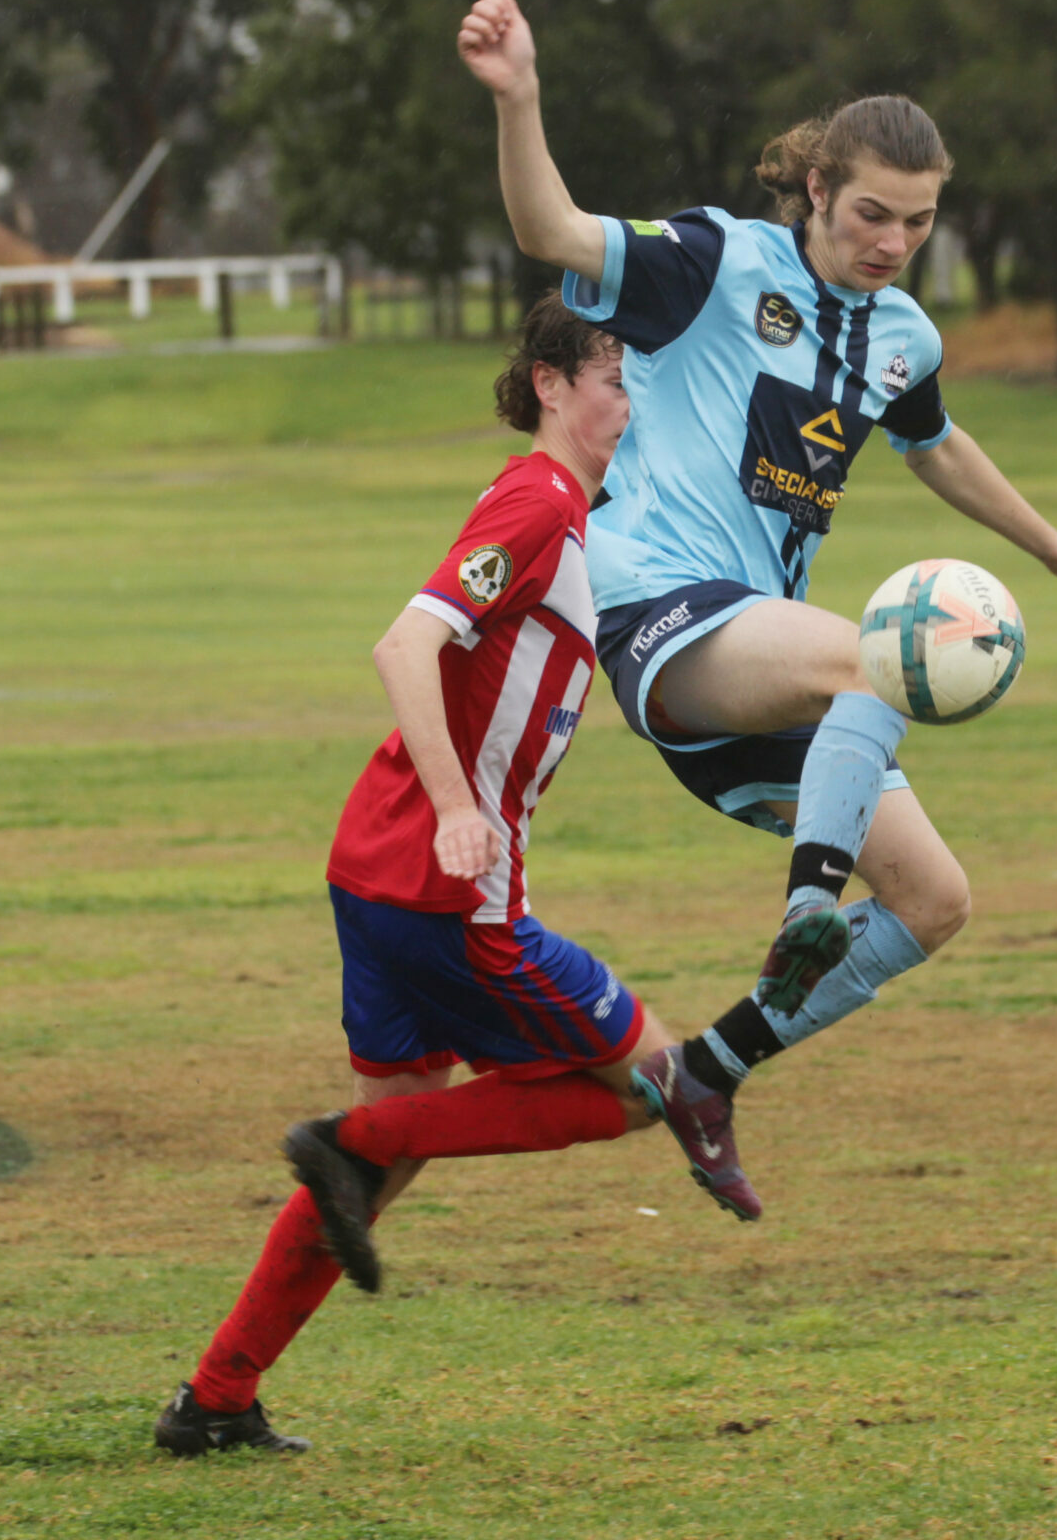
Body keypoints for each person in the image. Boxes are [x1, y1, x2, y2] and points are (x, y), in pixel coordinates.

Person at [454, 0, 1057, 1224]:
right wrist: (521, 97)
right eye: (871, 212)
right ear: (816, 187)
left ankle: (705, 1075)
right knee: (884, 654)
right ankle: (808, 909)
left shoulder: (901, 335)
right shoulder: (713, 263)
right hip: (663, 615)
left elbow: (936, 447)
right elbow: (547, 224)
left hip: (768, 659)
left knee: (935, 903)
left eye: (917, 223)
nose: (890, 240)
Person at [155, 297, 684, 1458]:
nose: (623, 404)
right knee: (650, 1085)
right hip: (447, 891)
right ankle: (344, 1142)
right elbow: (406, 642)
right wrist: (458, 809)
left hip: (376, 874)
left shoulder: (562, 516)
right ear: (550, 383)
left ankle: (215, 1398)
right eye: (608, 379)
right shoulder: (537, 500)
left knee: (386, 1157)